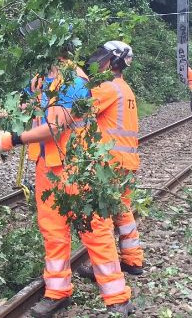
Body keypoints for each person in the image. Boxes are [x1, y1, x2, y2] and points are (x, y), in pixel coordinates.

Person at [0, 55, 136, 316]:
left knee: (95, 231)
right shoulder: (40, 79)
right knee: (52, 231)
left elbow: (55, 126)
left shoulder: (75, 80)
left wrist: (10, 140)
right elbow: (15, 109)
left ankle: (118, 299)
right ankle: (57, 292)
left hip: (78, 167)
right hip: (48, 167)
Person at [73, 41, 143, 280]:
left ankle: (105, 269)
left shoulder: (107, 88)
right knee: (122, 210)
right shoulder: (125, 88)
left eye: (103, 57)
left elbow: (79, 109)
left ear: (112, 61)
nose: (98, 61)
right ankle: (133, 259)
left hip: (110, 163)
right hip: (126, 161)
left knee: (100, 217)